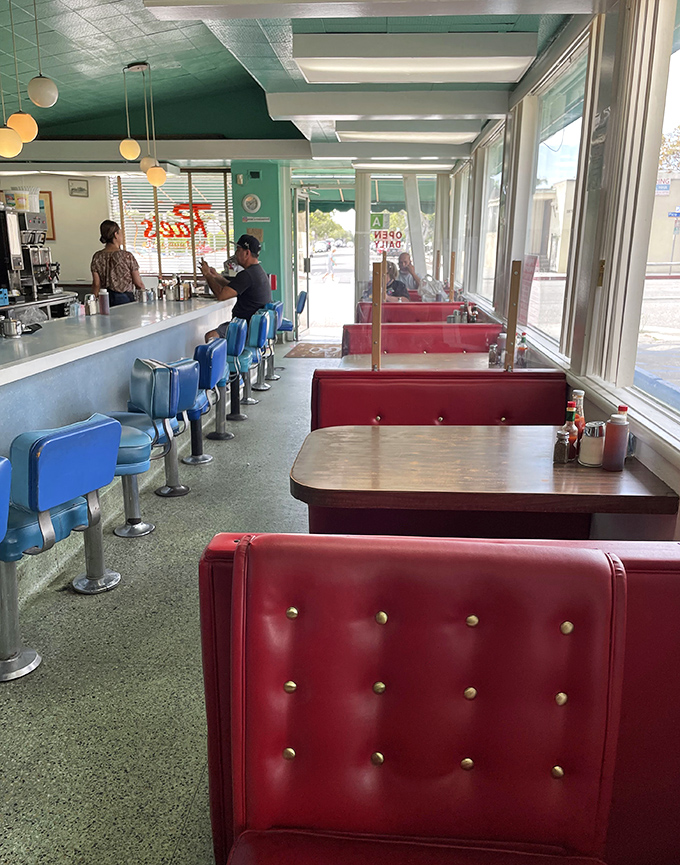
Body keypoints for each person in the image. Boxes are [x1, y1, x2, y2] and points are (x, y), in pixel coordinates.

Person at [202, 234, 271, 340]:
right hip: (253, 327)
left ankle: (225, 357)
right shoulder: (257, 271)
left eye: (238, 250)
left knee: (210, 336)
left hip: (244, 327)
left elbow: (221, 295)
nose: (235, 254)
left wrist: (207, 275)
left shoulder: (247, 275)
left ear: (247, 253)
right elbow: (233, 288)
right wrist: (216, 277)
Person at [90, 220, 145, 306]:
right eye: (121, 233)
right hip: (125, 299)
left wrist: (93, 302)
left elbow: (96, 284)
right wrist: (145, 297)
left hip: (105, 300)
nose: (122, 237)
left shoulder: (97, 256)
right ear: (116, 235)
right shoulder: (127, 256)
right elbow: (138, 283)